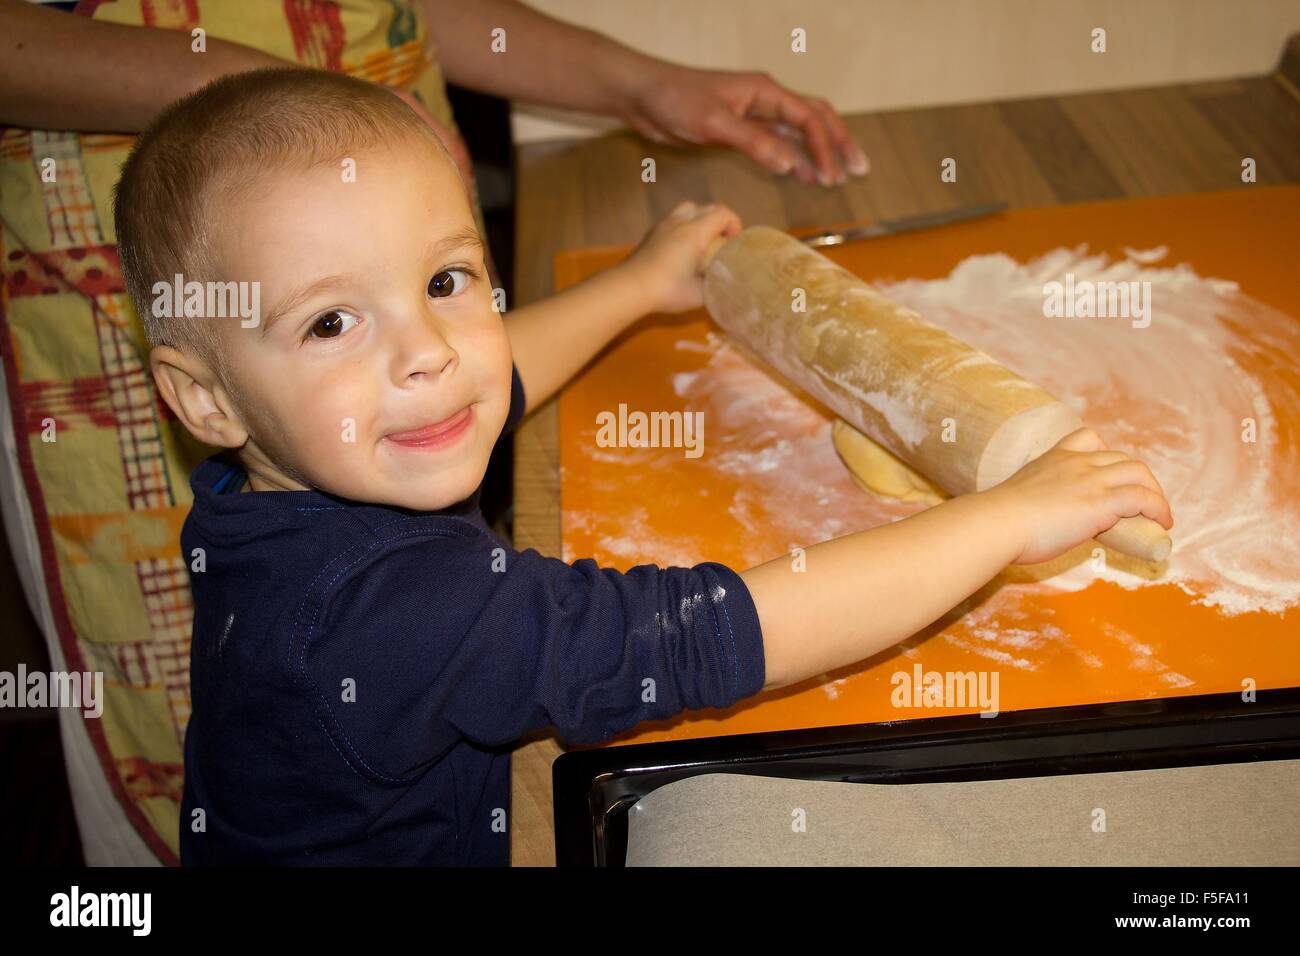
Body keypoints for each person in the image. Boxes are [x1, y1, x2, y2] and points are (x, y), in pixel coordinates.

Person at [114, 67, 1172, 865]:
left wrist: (637, 284)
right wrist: (1006, 516)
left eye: (444, 280)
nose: (426, 353)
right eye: (331, 322)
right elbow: (713, 634)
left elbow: (489, 375)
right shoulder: (394, 611)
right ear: (204, 399)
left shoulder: (283, 473)